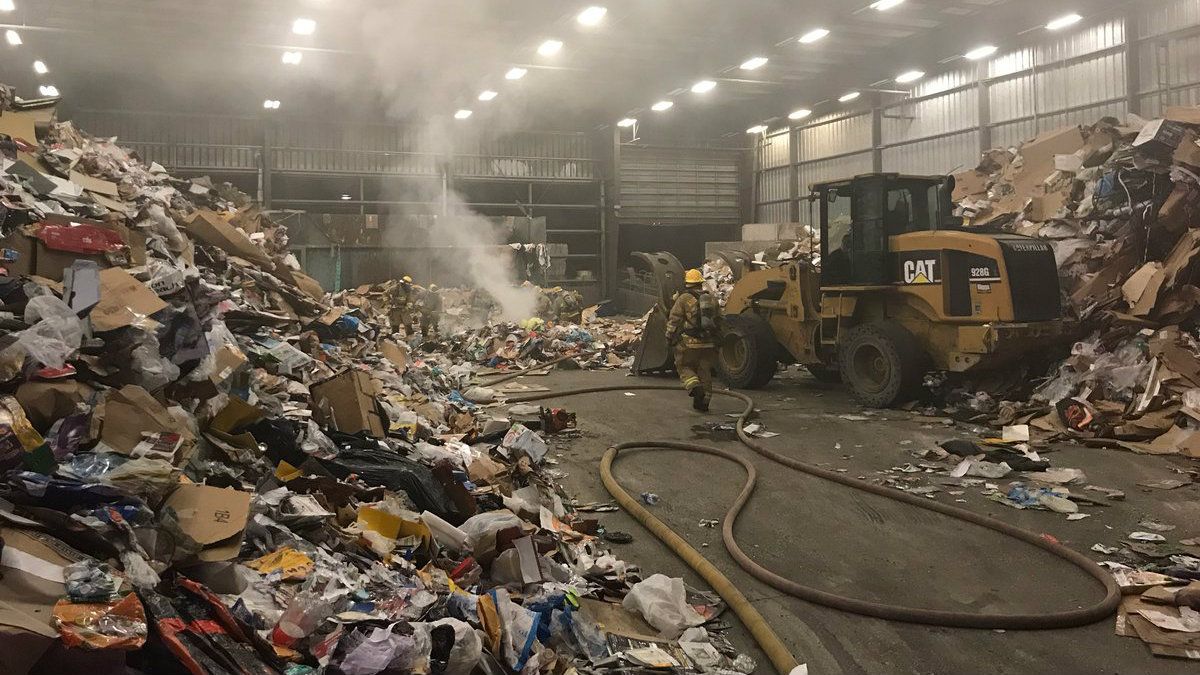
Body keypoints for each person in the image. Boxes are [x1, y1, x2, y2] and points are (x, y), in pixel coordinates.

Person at [665, 269, 723, 412]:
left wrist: (669, 336)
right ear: (700, 282)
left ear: (687, 283)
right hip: (709, 343)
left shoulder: (684, 298)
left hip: (689, 342)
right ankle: (704, 403)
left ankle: (695, 388)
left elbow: (674, 320)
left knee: (684, 366)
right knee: (705, 371)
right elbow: (719, 319)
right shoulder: (711, 298)